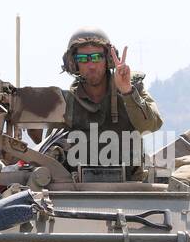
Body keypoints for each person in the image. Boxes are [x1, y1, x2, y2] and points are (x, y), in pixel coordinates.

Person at [57, 28, 162, 176]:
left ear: (108, 59)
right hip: (78, 189)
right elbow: (50, 148)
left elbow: (152, 124)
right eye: (83, 59)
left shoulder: (132, 88)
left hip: (131, 187)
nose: (91, 65)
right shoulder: (65, 103)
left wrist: (127, 91)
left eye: (96, 57)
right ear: (73, 63)